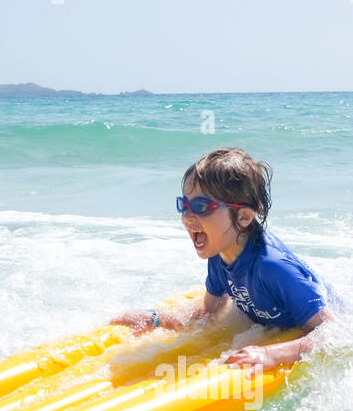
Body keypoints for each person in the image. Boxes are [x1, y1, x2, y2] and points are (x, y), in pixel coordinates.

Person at [110, 147, 334, 374]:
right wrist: (155, 319)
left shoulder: (273, 267)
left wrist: (271, 353)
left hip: (312, 322)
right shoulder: (220, 255)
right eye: (184, 205)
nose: (187, 217)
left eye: (200, 207)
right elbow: (208, 312)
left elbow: (332, 332)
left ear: (244, 216)